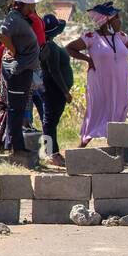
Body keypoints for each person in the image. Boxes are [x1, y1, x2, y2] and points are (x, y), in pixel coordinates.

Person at [64, 2, 128, 147]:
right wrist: (88, 59)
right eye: (116, 17)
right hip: (100, 82)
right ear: (107, 21)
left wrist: (120, 59)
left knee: (119, 111)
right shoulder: (92, 37)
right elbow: (69, 48)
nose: (119, 20)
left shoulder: (120, 37)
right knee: (97, 111)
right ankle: (81, 146)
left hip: (120, 83)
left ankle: (118, 149)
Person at [0, 0, 42, 166]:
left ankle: (15, 144)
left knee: (18, 108)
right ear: (23, 4)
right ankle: (17, 147)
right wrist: (13, 50)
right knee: (16, 110)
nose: (34, 5)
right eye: (31, 3)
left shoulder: (21, 18)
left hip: (24, 70)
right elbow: (1, 34)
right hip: (18, 71)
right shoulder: (13, 18)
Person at [36, 14, 73, 167]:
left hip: (54, 90)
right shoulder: (50, 46)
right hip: (54, 90)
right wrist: (65, 91)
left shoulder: (50, 44)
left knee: (51, 121)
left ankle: (53, 152)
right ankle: (52, 153)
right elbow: (54, 71)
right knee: (49, 122)